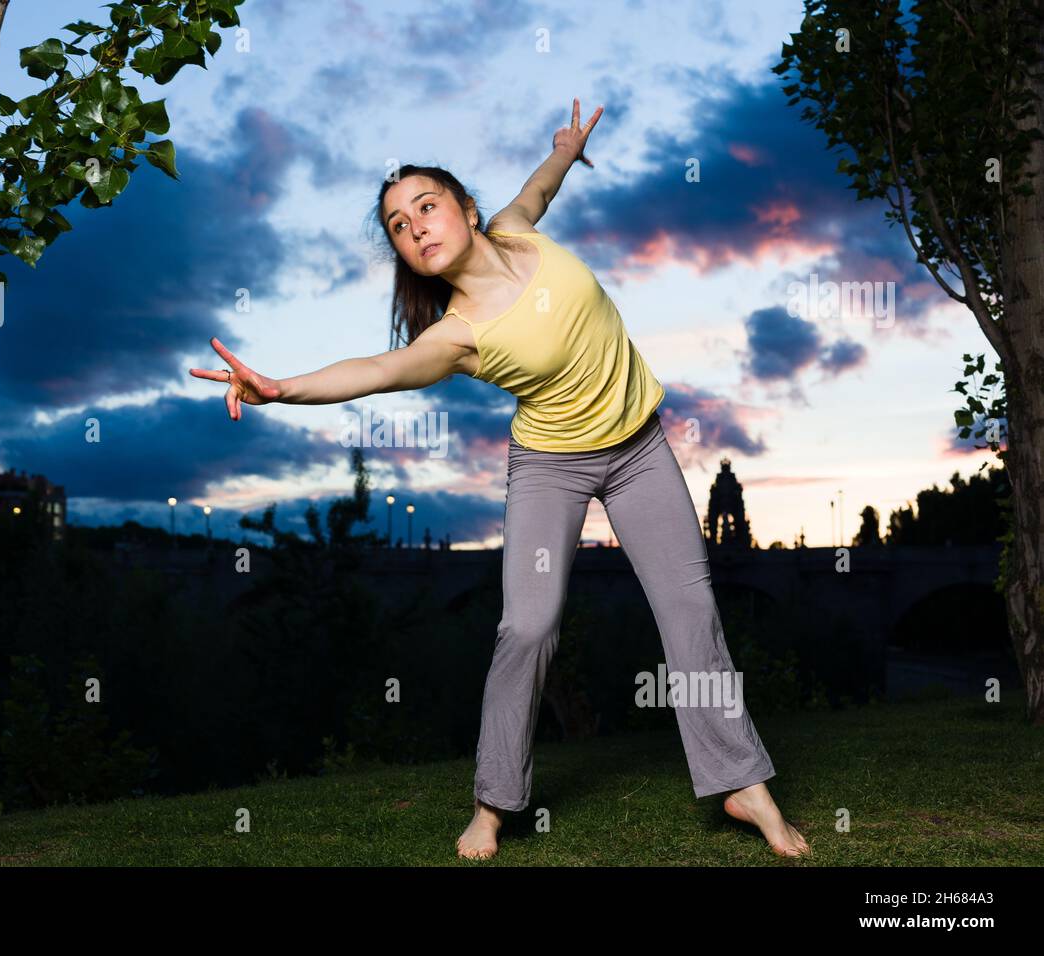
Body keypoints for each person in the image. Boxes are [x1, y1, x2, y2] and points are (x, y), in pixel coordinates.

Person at [191, 98, 810, 861]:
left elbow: (543, 184)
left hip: (640, 449)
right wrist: (279, 387)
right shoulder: (455, 336)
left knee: (692, 612)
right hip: (551, 464)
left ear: (469, 211)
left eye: (426, 205)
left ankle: (741, 783)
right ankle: (492, 803)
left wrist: (565, 148)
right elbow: (373, 369)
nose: (416, 225)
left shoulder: (519, 229)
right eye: (398, 223)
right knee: (528, 625)